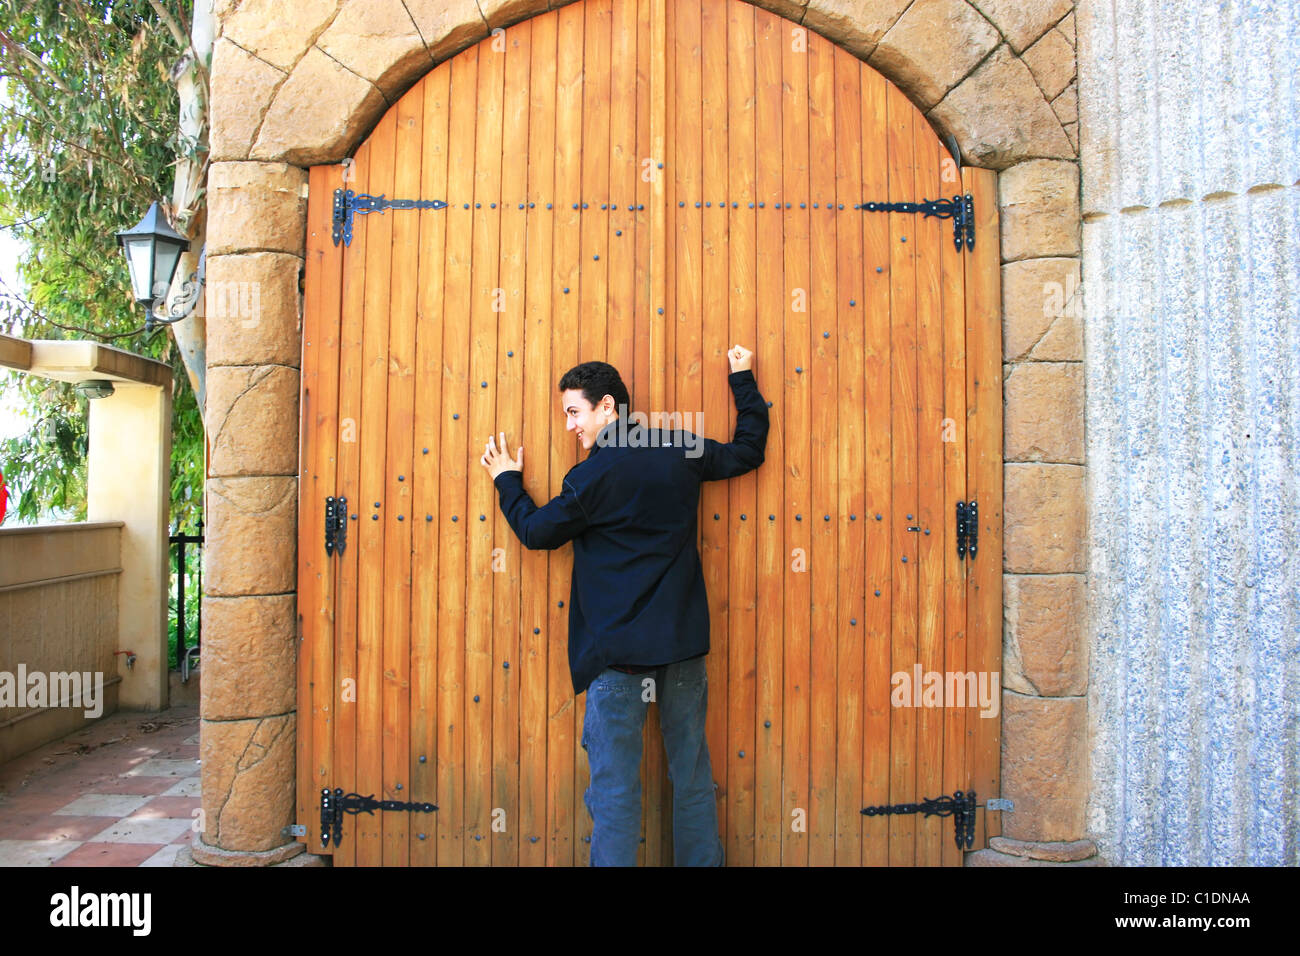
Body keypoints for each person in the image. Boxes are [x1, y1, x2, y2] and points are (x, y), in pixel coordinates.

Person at [479, 344, 769, 866]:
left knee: (615, 793)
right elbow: (747, 451)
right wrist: (742, 379)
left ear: (608, 407)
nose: (570, 425)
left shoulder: (591, 478)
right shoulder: (680, 449)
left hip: (618, 662)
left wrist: (507, 481)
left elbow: (537, 532)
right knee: (693, 776)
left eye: (574, 412)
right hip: (681, 651)